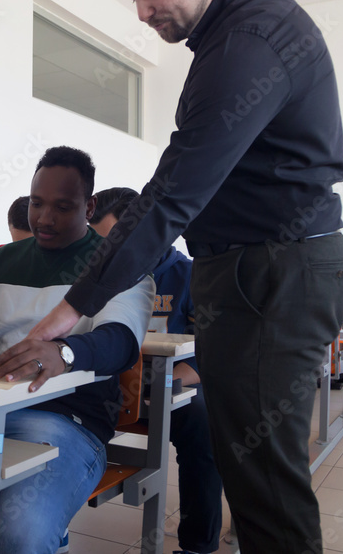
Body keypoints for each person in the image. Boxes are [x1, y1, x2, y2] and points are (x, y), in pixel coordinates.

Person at [0, 0, 343, 554]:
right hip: (252, 270)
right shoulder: (226, 39)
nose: (141, 11)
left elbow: (171, 197)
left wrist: (74, 306)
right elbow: (171, 184)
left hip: (275, 271)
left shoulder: (250, 39)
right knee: (249, 474)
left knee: (266, 486)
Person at [0, 147, 154, 554]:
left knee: (19, 534)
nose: (45, 218)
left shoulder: (121, 265)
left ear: (89, 207)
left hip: (66, 421)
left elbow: (121, 342)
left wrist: (64, 352)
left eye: (62, 207)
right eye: (37, 203)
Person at [92, 187, 223, 554]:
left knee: (202, 426)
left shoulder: (189, 276)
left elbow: (210, 350)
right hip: (108, 387)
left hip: (169, 387)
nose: (105, 252)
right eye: (98, 242)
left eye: (113, 241)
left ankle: (198, 545)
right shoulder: (97, 276)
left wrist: (159, 389)